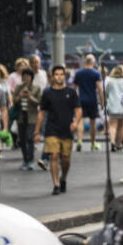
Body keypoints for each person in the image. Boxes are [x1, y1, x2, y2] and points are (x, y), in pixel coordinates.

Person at [34, 64, 80, 195]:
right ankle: (56, 184)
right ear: (52, 77)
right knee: (54, 156)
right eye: (56, 74)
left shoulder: (71, 92)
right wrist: (37, 132)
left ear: (64, 76)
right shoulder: (47, 93)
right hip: (51, 129)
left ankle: (63, 178)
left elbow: (78, 109)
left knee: (65, 160)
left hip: (67, 129)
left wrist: (75, 122)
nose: (59, 77)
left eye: (61, 74)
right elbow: (42, 112)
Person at [73, 53, 104, 151]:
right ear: (93, 62)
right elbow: (100, 89)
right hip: (92, 100)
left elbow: (74, 89)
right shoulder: (96, 73)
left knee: (80, 121)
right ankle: (93, 143)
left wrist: (73, 101)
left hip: (81, 100)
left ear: (84, 62)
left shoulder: (79, 73)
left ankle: (79, 141)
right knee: (93, 122)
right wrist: (102, 102)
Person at [13, 68, 42, 170]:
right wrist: (20, 96)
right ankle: (25, 159)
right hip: (21, 116)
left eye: (28, 77)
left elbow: (38, 102)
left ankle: (30, 160)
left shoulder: (36, 88)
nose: (26, 79)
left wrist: (30, 96)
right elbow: (14, 101)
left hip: (32, 117)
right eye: (24, 77)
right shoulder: (18, 87)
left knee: (30, 138)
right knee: (23, 139)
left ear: (32, 78)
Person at [104, 64, 123, 151]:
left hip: (112, 106)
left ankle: (112, 142)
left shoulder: (110, 81)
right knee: (121, 126)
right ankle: (118, 145)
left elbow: (106, 92)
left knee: (112, 125)